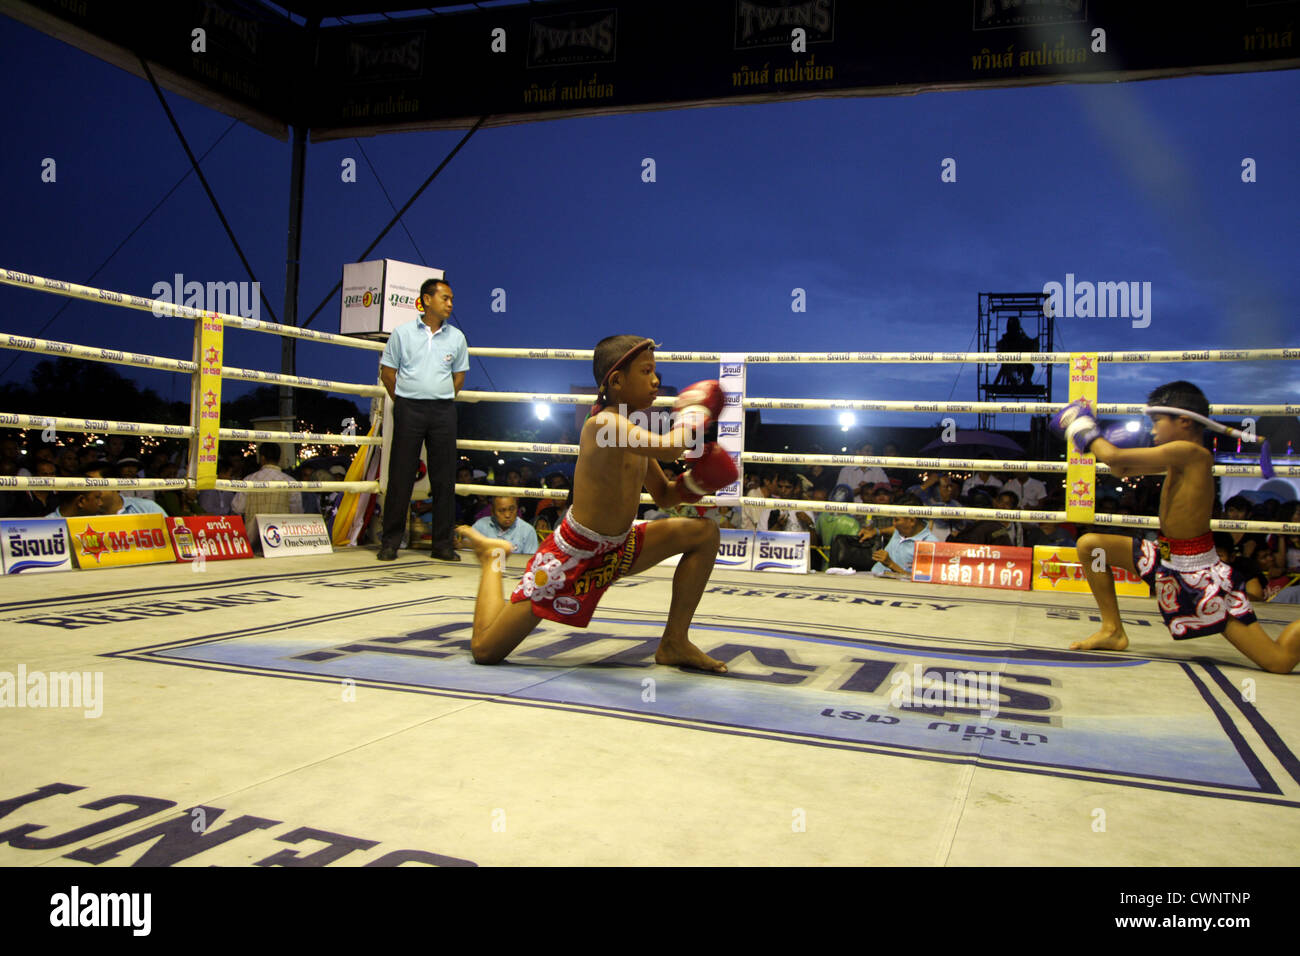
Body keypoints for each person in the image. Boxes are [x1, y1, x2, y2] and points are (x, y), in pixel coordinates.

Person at [457, 335, 737, 670]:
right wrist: (694, 412)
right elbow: (670, 448)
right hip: (573, 556)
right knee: (486, 650)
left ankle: (675, 641)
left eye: (655, 372)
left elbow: (664, 496)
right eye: (646, 371)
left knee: (704, 534)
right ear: (617, 381)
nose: (655, 381)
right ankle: (492, 559)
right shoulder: (603, 424)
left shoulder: (632, 429)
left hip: (619, 549)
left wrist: (694, 483)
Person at [1052, 381, 1300, 672]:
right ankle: (1112, 630)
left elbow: (1114, 457)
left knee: (1279, 661)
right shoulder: (1177, 457)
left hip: (1199, 576)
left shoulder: (1191, 453)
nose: (1153, 429)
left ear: (1183, 421)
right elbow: (1121, 469)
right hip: (1166, 559)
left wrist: (1081, 427)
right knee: (1091, 546)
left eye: (1157, 422)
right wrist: (1092, 435)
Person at [378, 277, 468, 562]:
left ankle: (442, 544)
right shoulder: (402, 333)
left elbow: (459, 377)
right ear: (427, 299)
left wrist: (438, 396)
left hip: (442, 411)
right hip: (409, 409)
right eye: (445, 298)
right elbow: (387, 372)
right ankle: (390, 542)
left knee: (444, 480)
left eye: (452, 299)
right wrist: (404, 400)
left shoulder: (457, 337)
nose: (450, 303)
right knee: (400, 475)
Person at [231, 443, 303, 534]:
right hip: (281, 537)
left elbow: (237, 508)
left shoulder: (249, 480)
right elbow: (297, 513)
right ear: (279, 459)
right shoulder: (290, 482)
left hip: (254, 537)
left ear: (262, 458)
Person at [869, 495, 938, 575]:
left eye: (896, 520)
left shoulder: (929, 544)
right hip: (872, 577)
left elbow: (922, 579)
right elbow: (892, 530)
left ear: (912, 521)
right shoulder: (901, 530)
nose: (894, 524)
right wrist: (877, 531)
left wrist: (891, 564)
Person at [471, 496, 539, 554]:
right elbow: (467, 554)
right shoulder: (480, 526)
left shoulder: (528, 531)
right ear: (492, 511)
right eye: (502, 510)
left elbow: (531, 564)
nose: (507, 515)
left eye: (512, 509)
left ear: (517, 509)